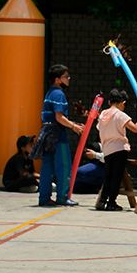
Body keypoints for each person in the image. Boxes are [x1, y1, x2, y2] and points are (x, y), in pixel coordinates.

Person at [35, 64, 84, 207]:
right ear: (57, 79)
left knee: (47, 168)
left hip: (46, 134)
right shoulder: (59, 94)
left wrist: (72, 123)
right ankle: (62, 197)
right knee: (63, 167)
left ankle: (44, 198)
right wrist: (74, 126)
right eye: (65, 76)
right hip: (57, 136)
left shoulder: (50, 93)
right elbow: (59, 117)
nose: (69, 79)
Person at [95, 88, 137, 211]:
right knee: (116, 177)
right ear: (121, 102)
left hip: (107, 150)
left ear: (109, 102)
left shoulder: (103, 114)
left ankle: (102, 201)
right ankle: (112, 202)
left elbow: (99, 128)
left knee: (108, 176)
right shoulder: (120, 114)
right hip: (119, 149)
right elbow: (135, 128)